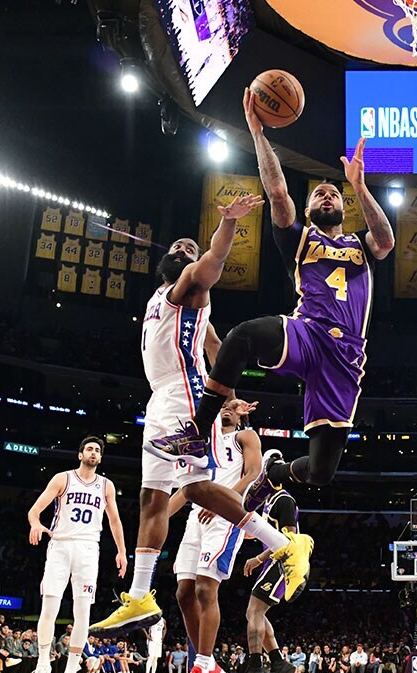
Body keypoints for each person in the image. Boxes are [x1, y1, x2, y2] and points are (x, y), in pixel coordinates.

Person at [95, 191, 314, 673]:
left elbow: (213, 262)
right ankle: (139, 598)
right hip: (163, 401)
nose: (185, 250)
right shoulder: (160, 300)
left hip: (184, 400)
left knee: (194, 488)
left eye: (189, 247)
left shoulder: (192, 284)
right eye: (179, 245)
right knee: (153, 498)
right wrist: (233, 397)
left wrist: (228, 226)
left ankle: (283, 546)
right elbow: (217, 346)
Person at [150, 89, 395, 513]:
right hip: (307, 331)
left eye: (333, 194)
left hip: (346, 357)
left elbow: (387, 240)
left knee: (321, 472)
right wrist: (258, 132)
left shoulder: (360, 244)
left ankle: (272, 474)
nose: (326, 196)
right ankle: (198, 428)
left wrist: (358, 184)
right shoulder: (300, 238)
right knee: (242, 336)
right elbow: (278, 193)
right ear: (307, 207)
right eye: (318, 194)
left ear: (345, 205)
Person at [163, 398, 265, 673]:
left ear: (242, 415)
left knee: (206, 588)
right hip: (197, 515)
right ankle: (210, 667)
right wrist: (154, 521)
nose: (226, 409)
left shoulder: (245, 436)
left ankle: (203, 665)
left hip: (225, 515)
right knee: (184, 592)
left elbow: (254, 474)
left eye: (232, 407)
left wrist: (220, 501)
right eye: (222, 407)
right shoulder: (204, 444)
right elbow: (186, 489)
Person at [25, 436, 127, 673]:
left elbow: (114, 521)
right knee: (50, 606)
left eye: (97, 450)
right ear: (80, 454)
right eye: (89, 449)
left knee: (83, 613)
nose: (93, 453)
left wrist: (122, 551)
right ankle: (42, 667)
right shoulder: (63, 478)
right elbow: (34, 511)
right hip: (60, 545)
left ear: (100, 458)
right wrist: (36, 524)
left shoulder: (106, 486)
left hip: (88, 550)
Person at [232, 488, 309, 673]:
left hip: (283, 561)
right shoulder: (268, 503)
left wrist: (259, 558)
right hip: (273, 562)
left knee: (254, 612)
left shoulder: (284, 500)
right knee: (255, 613)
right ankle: (278, 663)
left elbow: (289, 541)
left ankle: (256, 666)